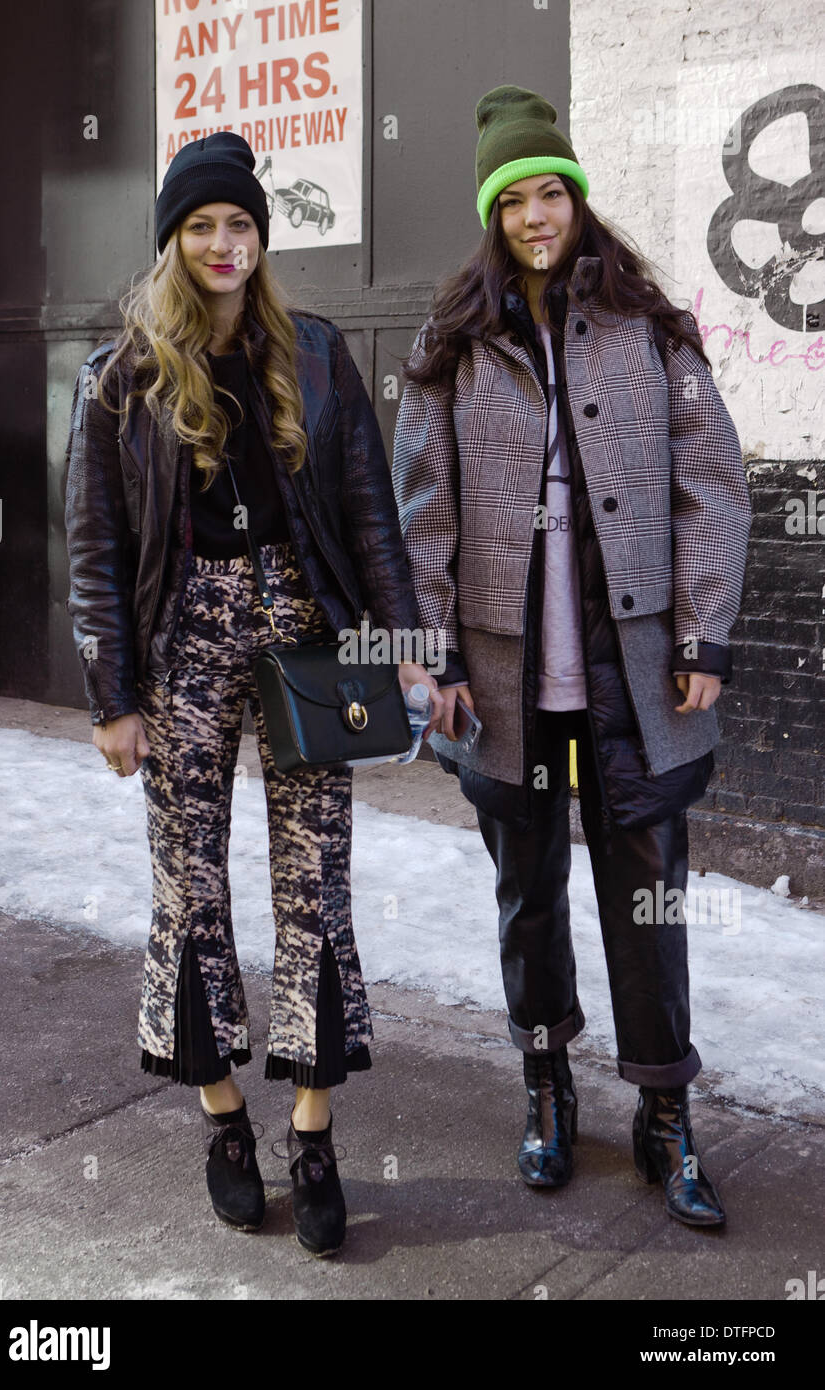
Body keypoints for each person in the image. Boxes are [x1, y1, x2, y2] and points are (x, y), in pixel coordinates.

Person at [64, 132, 442, 1257]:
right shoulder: (119, 375)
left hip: (305, 636)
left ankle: (314, 1129)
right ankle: (224, 1116)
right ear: (173, 241)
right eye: (201, 227)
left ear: (259, 239)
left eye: (239, 226)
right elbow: (95, 550)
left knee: (315, 879)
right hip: (180, 638)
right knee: (188, 884)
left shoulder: (314, 354)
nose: (223, 245)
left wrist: (408, 647)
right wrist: (109, 697)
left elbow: (371, 521)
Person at [392, 87, 751, 1227]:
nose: (536, 216)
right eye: (514, 199)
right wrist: (426, 658)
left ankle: (662, 1114)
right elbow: (420, 520)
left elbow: (714, 487)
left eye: (552, 192)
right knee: (528, 901)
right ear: (491, 217)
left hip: (634, 683)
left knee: (648, 904)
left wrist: (701, 635)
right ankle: (544, 1088)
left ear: (577, 200)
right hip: (505, 688)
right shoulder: (450, 343)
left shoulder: (653, 329)